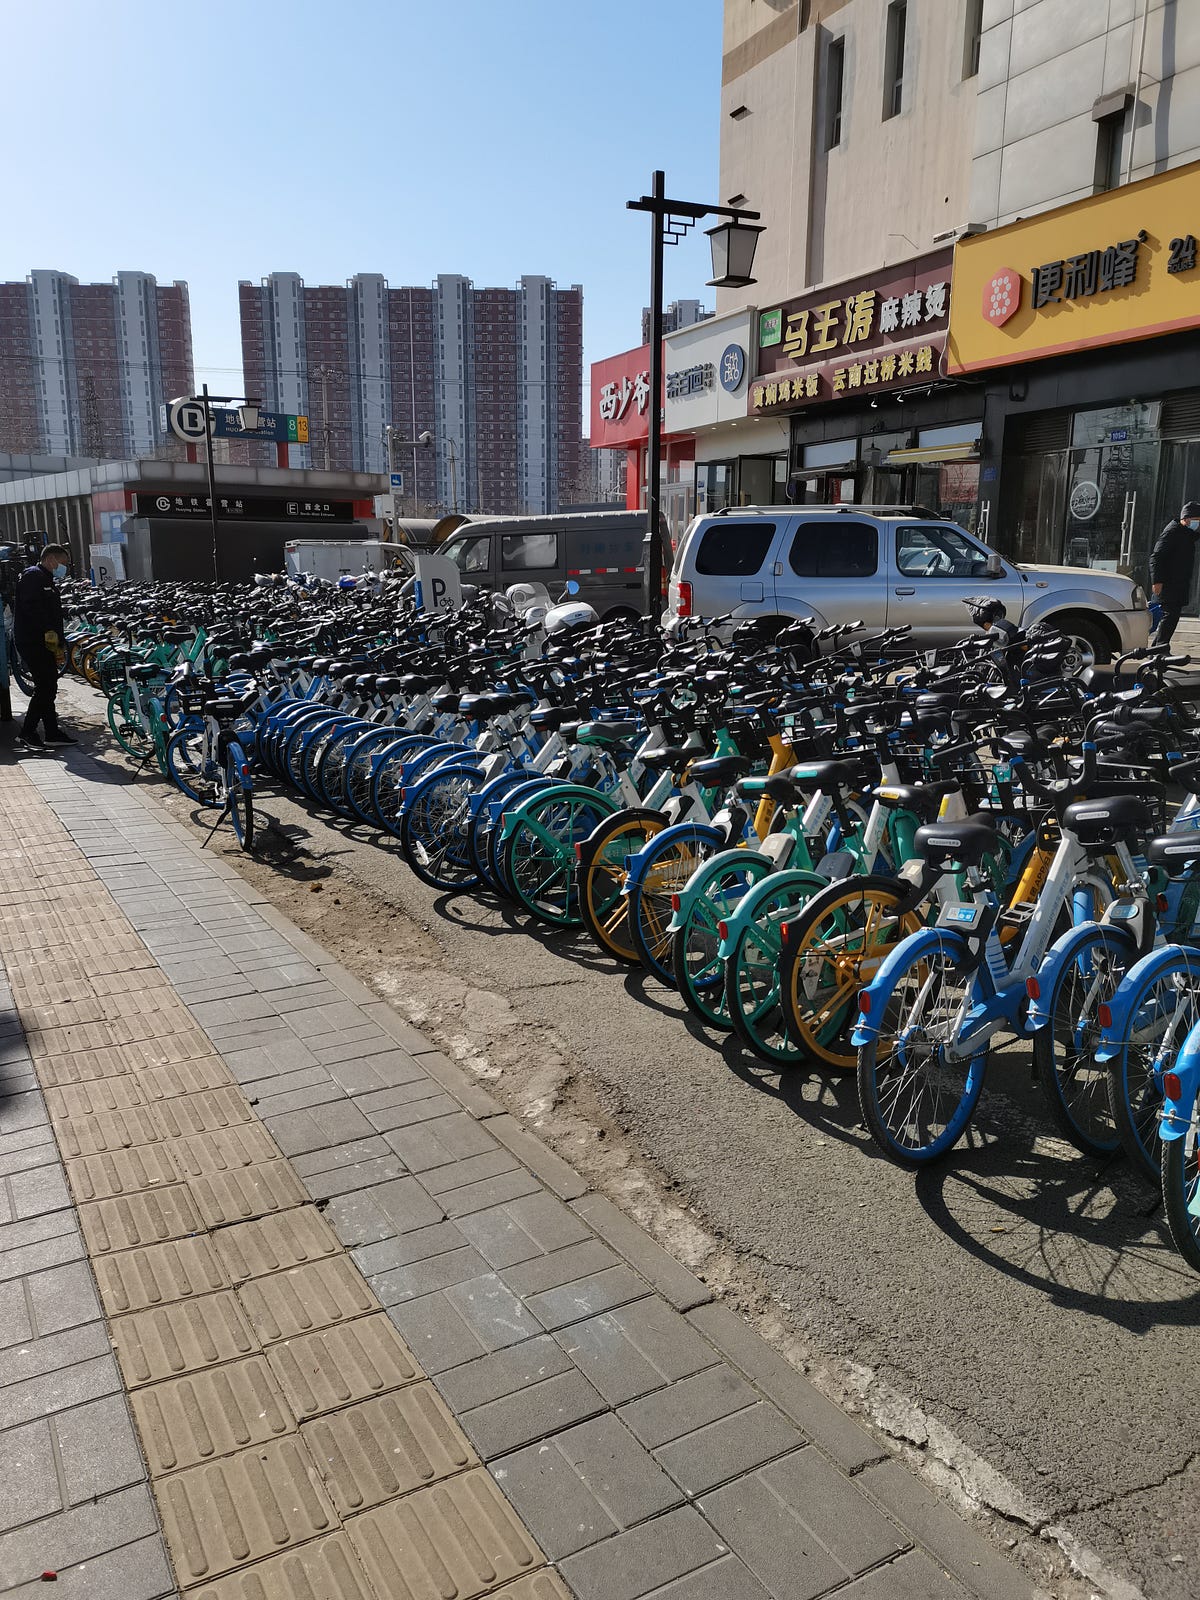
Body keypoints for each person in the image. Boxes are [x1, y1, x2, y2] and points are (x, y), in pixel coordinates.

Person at [13, 543, 75, 750]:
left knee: (49, 686)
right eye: (62, 563)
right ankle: (27, 733)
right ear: (51, 560)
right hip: (34, 642)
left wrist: (55, 645)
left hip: (43, 642)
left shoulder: (44, 577)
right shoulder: (33, 576)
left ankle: (52, 732)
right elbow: (36, 615)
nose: (63, 568)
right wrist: (53, 643)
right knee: (45, 686)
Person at [1149, 501, 1200, 646]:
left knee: (1171, 617)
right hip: (1168, 584)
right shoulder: (1172, 533)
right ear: (1187, 518)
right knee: (1169, 617)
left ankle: (1158, 648)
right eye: (1198, 520)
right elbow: (1156, 557)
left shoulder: (1186, 533)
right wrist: (1156, 581)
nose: (1198, 524)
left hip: (1177, 584)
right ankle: (1159, 649)